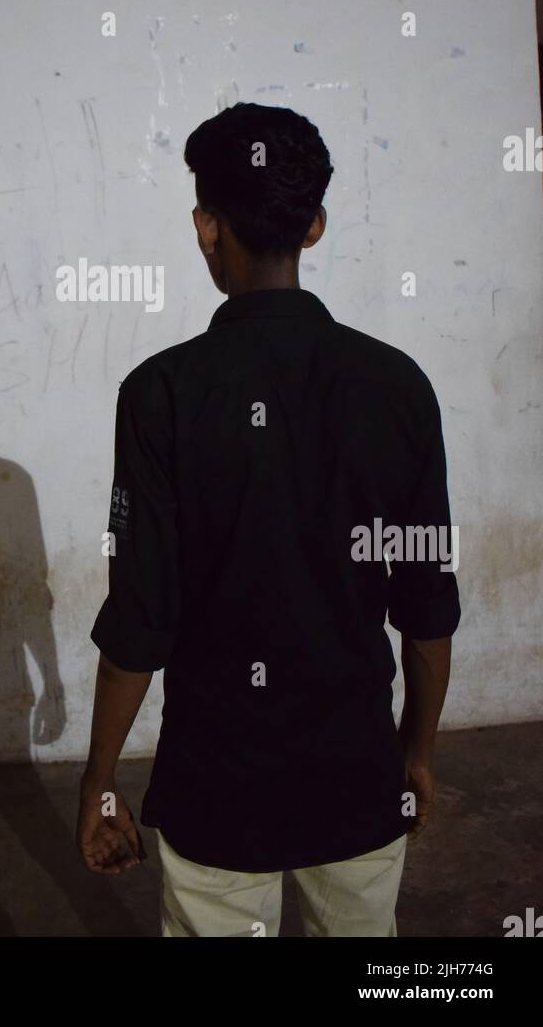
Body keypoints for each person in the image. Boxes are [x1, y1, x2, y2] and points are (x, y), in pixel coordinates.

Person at [76, 101, 460, 937]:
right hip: (357, 776)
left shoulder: (161, 393)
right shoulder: (397, 388)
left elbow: (141, 622)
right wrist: (416, 755)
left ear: (207, 227)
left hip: (218, 784)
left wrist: (100, 780)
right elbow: (427, 614)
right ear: (314, 227)